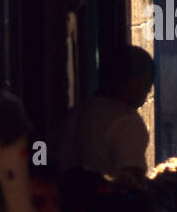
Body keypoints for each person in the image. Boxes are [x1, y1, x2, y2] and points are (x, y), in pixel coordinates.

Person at [54, 44, 155, 181]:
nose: (148, 90)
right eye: (147, 82)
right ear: (134, 80)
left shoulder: (76, 112)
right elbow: (131, 180)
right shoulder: (126, 121)